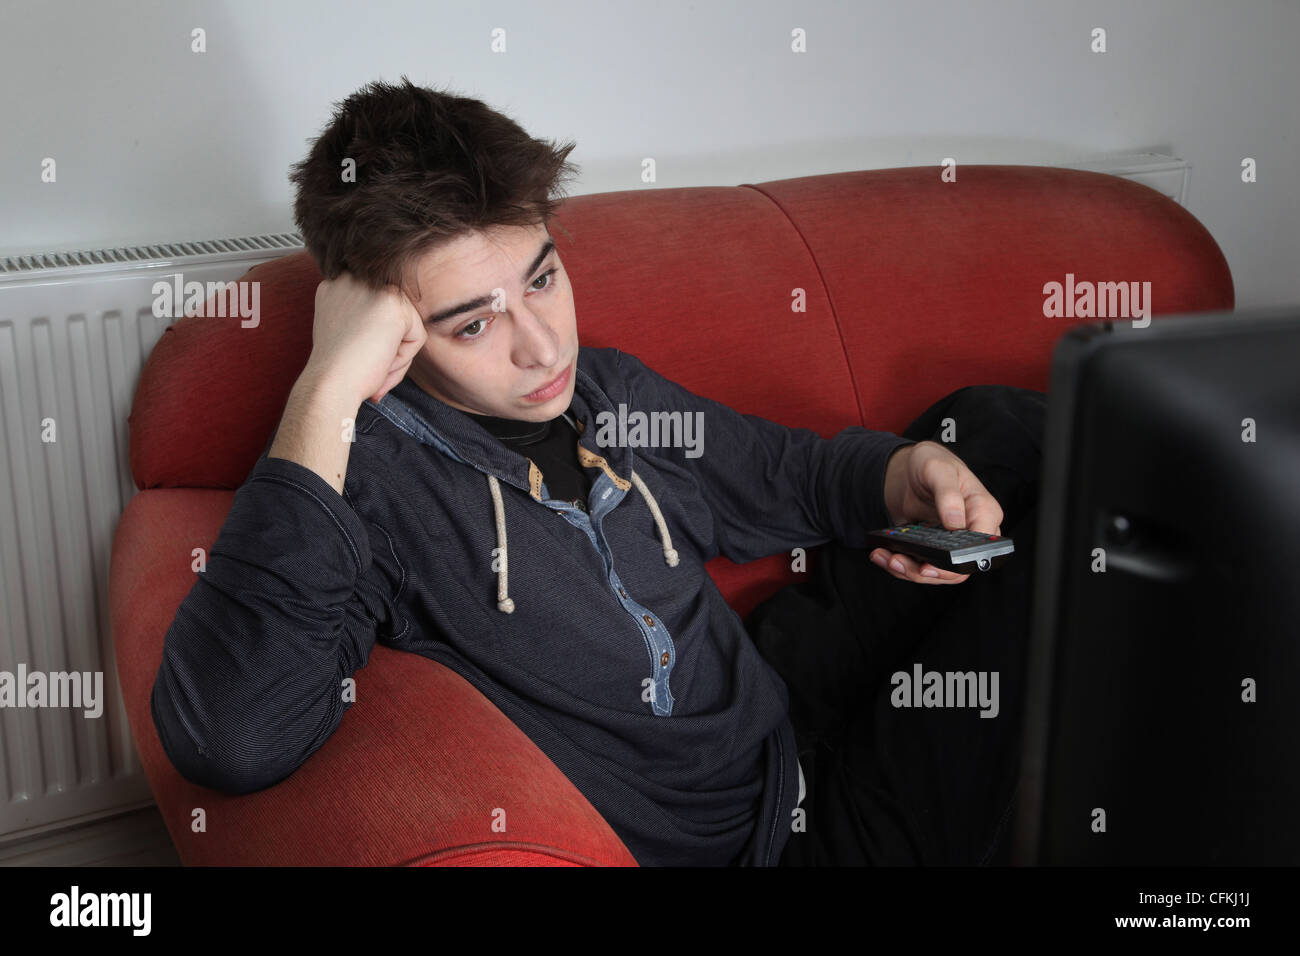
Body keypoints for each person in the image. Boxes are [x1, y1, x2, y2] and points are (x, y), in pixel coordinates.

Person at [150, 75, 1042, 867]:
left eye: (542, 279)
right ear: (388, 331)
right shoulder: (374, 489)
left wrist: (905, 476)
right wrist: (326, 386)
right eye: (473, 324)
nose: (543, 348)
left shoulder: (610, 392)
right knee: (1056, 567)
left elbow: (793, 475)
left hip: (793, 699)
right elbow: (235, 735)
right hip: (781, 835)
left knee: (1000, 427)